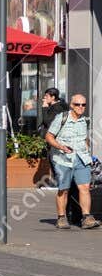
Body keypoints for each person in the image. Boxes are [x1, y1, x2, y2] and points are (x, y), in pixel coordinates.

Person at [45, 93, 98, 230]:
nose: (80, 107)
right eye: (77, 104)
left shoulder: (85, 120)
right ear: (71, 105)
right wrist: (61, 147)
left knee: (85, 188)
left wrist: (86, 151)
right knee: (64, 189)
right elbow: (49, 137)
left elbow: (86, 138)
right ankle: (61, 218)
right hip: (63, 159)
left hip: (81, 159)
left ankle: (86, 217)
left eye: (83, 105)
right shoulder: (61, 118)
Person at [38, 88, 64, 191]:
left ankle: (57, 184)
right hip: (52, 138)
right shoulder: (55, 106)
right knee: (53, 159)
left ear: (53, 97)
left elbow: (48, 121)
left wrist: (44, 108)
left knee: (55, 160)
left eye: (47, 96)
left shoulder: (57, 108)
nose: (44, 98)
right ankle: (55, 183)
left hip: (56, 139)